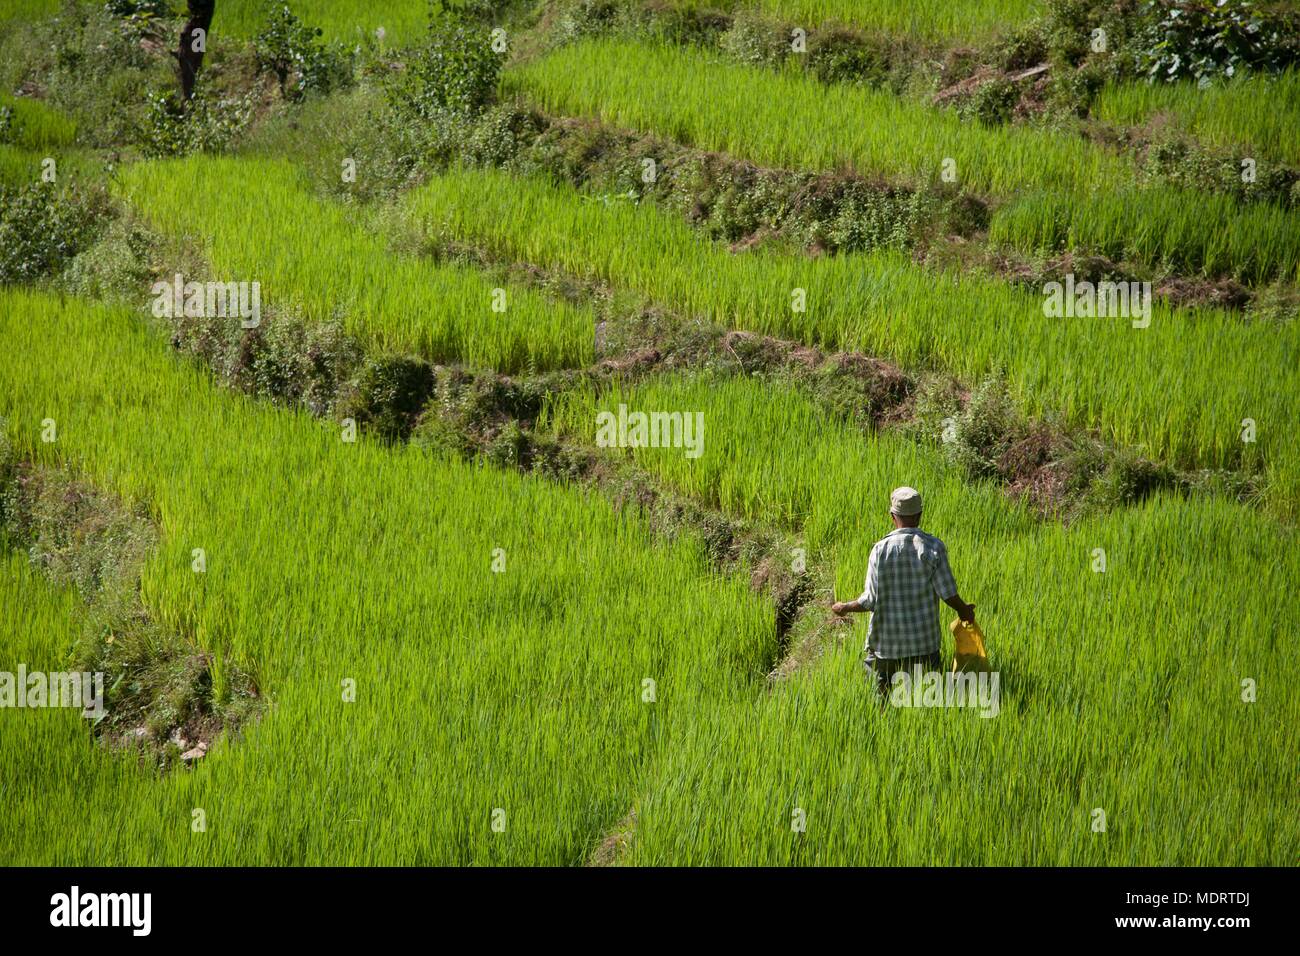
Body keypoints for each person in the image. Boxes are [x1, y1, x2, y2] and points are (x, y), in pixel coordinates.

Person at [832, 486, 975, 698]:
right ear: (919, 515)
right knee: (923, 704)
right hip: (924, 646)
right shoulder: (933, 547)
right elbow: (948, 593)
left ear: (893, 516)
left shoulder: (880, 550)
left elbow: (869, 601)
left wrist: (844, 607)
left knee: (880, 705)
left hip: (885, 648)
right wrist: (964, 611)